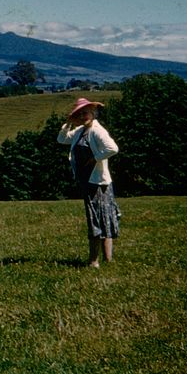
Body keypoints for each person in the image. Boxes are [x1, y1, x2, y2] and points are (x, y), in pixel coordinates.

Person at [57, 98, 120, 268]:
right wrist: (68, 123)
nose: (83, 116)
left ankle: (94, 261)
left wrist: (95, 158)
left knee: (97, 219)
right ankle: (108, 259)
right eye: (79, 114)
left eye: (86, 112)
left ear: (93, 112)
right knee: (102, 218)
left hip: (98, 182)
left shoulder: (97, 131)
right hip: (87, 181)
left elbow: (113, 148)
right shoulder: (79, 131)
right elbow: (61, 139)